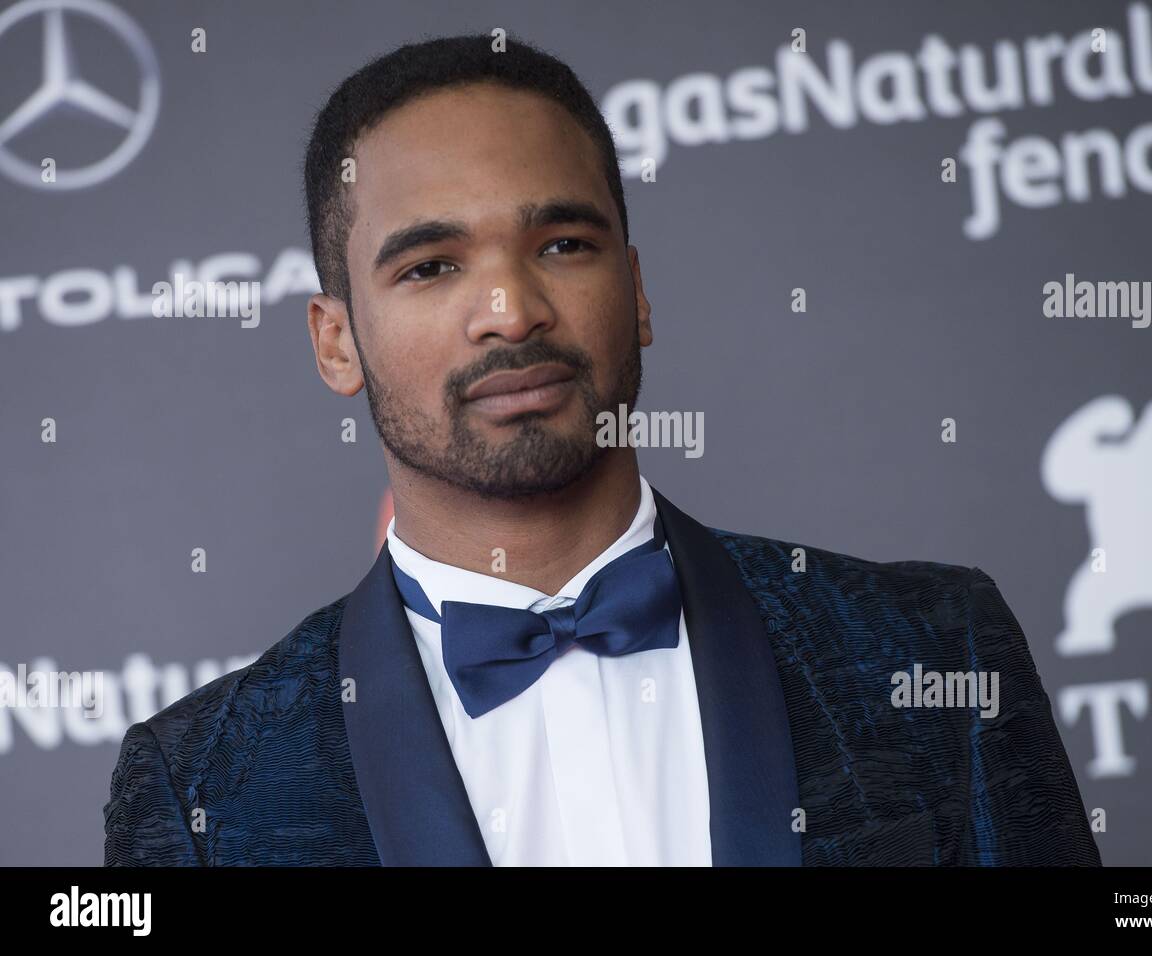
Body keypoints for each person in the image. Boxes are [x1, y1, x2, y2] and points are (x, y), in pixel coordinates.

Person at [104, 33, 1100, 867]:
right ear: (334, 340)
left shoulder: (930, 646)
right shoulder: (203, 785)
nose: (510, 309)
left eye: (561, 246)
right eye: (432, 265)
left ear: (637, 289)